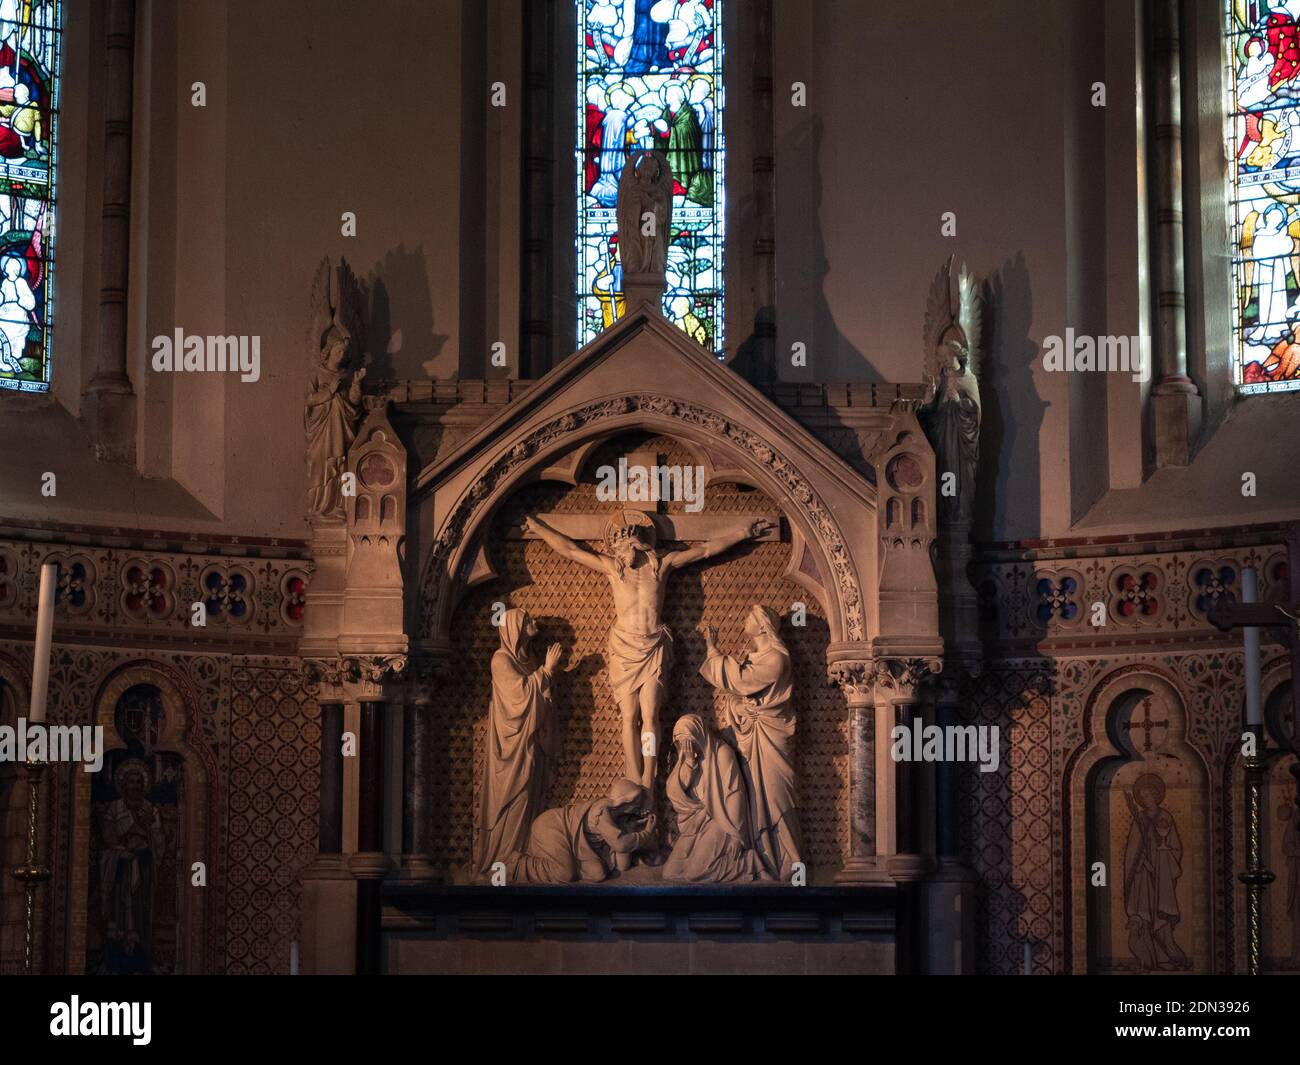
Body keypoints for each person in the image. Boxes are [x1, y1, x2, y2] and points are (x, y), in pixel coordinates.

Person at [525, 509, 769, 796]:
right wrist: (537, 527)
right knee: (629, 715)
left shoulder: (660, 566)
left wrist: (742, 533)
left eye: (632, 543)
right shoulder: (612, 568)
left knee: (650, 714)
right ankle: (633, 773)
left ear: (641, 542)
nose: (627, 550)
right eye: (622, 544)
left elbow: (703, 552)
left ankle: (649, 778)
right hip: (624, 647)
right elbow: (569, 549)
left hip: (653, 645)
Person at [699, 605, 802, 881]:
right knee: (757, 800)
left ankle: (794, 866)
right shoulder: (758, 659)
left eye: (750, 617)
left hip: (771, 742)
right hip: (752, 740)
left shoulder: (776, 660)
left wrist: (714, 652)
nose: (744, 619)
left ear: (763, 626)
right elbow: (742, 697)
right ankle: (766, 862)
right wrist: (739, 708)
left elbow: (742, 682)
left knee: (777, 797)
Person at [476, 608, 562, 877]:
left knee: (531, 797)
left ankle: (521, 854)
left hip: (530, 744)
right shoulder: (501, 660)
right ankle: (502, 860)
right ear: (514, 627)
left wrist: (545, 687)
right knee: (516, 796)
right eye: (528, 620)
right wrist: (546, 671)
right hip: (510, 750)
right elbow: (518, 700)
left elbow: (539, 699)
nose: (533, 622)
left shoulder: (529, 660)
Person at [663, 714, 759, 882]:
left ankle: (749, 863)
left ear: (698, 735)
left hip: (721, 822)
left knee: (695, 873)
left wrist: (737, 836)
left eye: (689, 742)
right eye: (681, 743)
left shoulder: (722, 754)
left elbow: (735, 796)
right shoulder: (687, 759)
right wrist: (689, 763)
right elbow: (675, 791)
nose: (687, 748)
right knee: (671, 872)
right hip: (696, 823)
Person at [506, 778, 656, 883]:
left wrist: (629, 830)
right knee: (564, 873)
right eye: (638, 801)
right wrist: (646, 833)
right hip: (553, 826)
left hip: (576, 845)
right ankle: (515, 865)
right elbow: (621, 845)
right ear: (627, 800)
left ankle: (570, 861)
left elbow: (622, 865)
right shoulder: (602, 811)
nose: (639, 807)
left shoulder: (619, 817)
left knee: (598, 874)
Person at [1122, 773, 1189, 971]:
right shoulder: (1139, 819)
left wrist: (1161, 860)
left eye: (1149, 795)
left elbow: (1175, 848)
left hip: (1162, 878)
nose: (1146, 799)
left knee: (1161, 917)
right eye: (1142, 797)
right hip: (1142, 878)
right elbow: (1132, 850)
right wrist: (1143, 863)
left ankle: (1167, 957)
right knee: (1144, 916)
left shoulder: (1165, 818)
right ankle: (1149, 959)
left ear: (1157, 795)